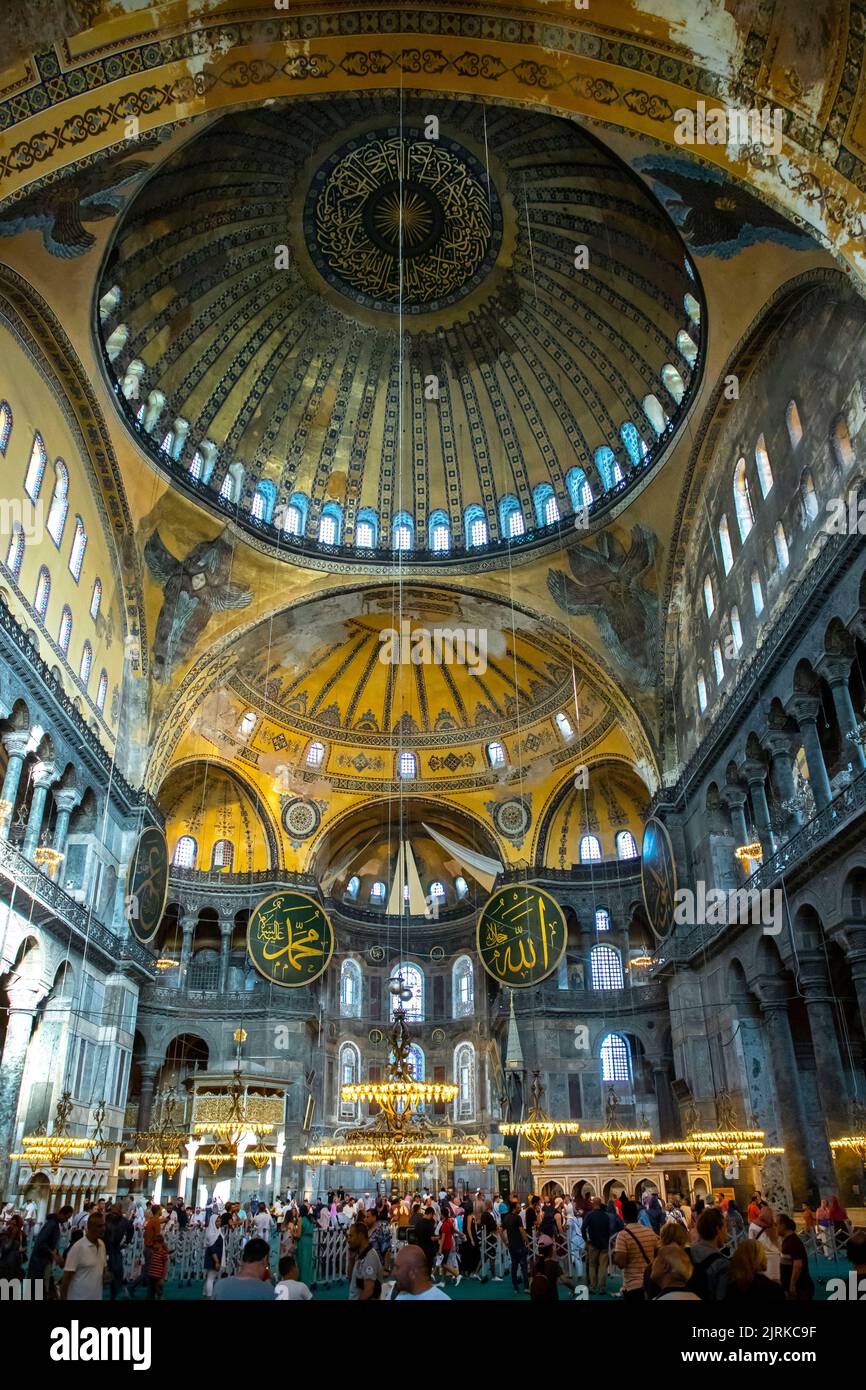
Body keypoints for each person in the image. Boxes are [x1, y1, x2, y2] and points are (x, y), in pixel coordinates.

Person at [613, 1197, 658, 1302]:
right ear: (637, 1214)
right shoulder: (650, 1232)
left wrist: (615, 1256)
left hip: (633, 1285)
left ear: (623, 1216)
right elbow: (658, 1254)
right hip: (651, 1282)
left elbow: (621, 1263)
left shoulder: (623, 1235)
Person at [28, 1204, 74, 1295]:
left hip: (41, 1261)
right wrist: (53, 1254)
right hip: (40, 1262)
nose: (67, 1220)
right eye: (67, 1217)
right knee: (37, 1290)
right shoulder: (52, 1224)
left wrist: (57, 1255)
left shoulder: (54, 1224)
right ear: (61, 1214)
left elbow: (50, 1243)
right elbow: (41, 1242)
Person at [60, 1211, 106, 1301]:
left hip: (96, 1297)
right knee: (34, 1290)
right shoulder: (78, 1248)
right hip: (77, 1297)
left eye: (104, 1225)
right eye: (100, 1226)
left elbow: (102, 1270)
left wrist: (105, 1275)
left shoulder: (102, 1245)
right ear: (90, 1227)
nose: (103, 1229)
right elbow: (65, 1281)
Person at [688, 1207, 729, 1301]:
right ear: (718, 1229)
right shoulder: (722, 1264)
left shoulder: (685, 1254)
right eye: (725, 1227)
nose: (726, 1232)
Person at [778, 1213, 813, 1301]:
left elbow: (798, 1265)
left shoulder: (792, 1242)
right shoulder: (788, 1241)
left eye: (776, 1224)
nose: (774, 1227)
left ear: (782, 1225)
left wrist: (792, 1285)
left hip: (800, 1288)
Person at [346, 1218, 383, 1301]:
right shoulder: (361, 1255)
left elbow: (368, 1291)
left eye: (351, 1236)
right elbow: (351, 1278)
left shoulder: (370, 1257)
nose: (348, 1240)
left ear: (360, 1236)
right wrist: (351, 1260)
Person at [583, 1197, 612, 1295]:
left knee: (592, 1265)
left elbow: (583, 1228)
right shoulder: (606, 1216)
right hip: (604, 1244)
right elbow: (610, 1229)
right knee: (603, 1267)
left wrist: (586, 1240)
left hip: (593, 1243)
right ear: (600, 1204)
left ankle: (592, 1286)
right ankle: (602, 1287)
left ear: (593, 1204)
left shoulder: (589, 1215)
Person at [103, 1204, 132, 1300]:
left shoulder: (124, 1221)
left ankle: (114, 1293)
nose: (114, 1214)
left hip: (116, 1249)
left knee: (117, 1272)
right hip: (104, 1249)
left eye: (116, 1212)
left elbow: (131, 1230)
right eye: (112, 1212)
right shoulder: (106, 1219)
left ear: (120, 1211)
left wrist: (127, 1241)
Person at [502, 1199, 530, 1293]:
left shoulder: (506, 1218)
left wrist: (505, 1241)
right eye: (518, 1207)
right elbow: (522, 1231)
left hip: (511, 1246)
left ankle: (515, 1287)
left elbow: (500, 1230)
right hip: (520, 1245)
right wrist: (527, 1242)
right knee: (524, 1266)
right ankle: (526, 1287)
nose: (520, 1208)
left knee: (514, 1266)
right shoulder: (518, 1217)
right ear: (514, 1208)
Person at [753, 1206, 781, 1283]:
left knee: (765, 1283)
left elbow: (751, 1243)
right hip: (776, 1258)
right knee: (777, 1283)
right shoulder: (776, 1226)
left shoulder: (753, 1226)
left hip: (762, 1258)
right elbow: (780, 1243)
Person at [295, 1202, 316, 1288]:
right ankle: (307, 1282)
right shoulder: (311, 1219)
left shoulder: (301, 1219)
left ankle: (301, 1282)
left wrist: (293, 1233)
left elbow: (298, 1234)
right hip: (309, 1241)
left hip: (302, 1241)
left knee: (301, 1261)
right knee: (308, 1262)